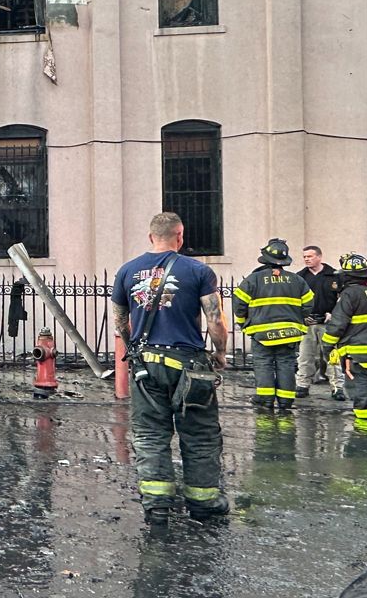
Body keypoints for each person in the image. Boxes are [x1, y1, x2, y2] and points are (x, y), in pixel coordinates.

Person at [111, 212, 230, 525]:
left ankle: (157, 506)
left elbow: (120, 321)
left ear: (151, 237)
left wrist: (133, 347)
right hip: (189, 366)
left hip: (145, 365)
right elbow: (215, 320)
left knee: (150, 435)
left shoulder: (126, 271)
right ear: (181, 235)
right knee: (200, 434)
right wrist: (220, 353)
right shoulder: (198, 270)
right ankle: (203, 502)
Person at [234, 239, 312, 410]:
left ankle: (265, 399)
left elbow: (239, 306)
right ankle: (285, 401)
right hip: (289, 333)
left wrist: (244, 324)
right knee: (286, 364)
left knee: (264, 364)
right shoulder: (297, 280)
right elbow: (308, 305)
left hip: (262, 334)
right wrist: (296, 318)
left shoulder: (252, 280)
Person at [321, 253, 367, 427]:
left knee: (360, 389)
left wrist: (327, 345)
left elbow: (337, 324)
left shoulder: (350, 294)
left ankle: (362, 431)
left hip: (357, 354)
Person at [297, 245, 344, 400]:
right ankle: (303, 385)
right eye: (304, 257)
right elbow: (295, 301)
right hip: (307, 323)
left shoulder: (334, 276)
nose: (306, 259)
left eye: (309, 256)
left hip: (328, 323)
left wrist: (334, 314)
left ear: (319, 257)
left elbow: (343, 300)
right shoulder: (300, 277)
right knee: (305, 356)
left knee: (332, 356)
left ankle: (337, 388)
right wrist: (302, 316)